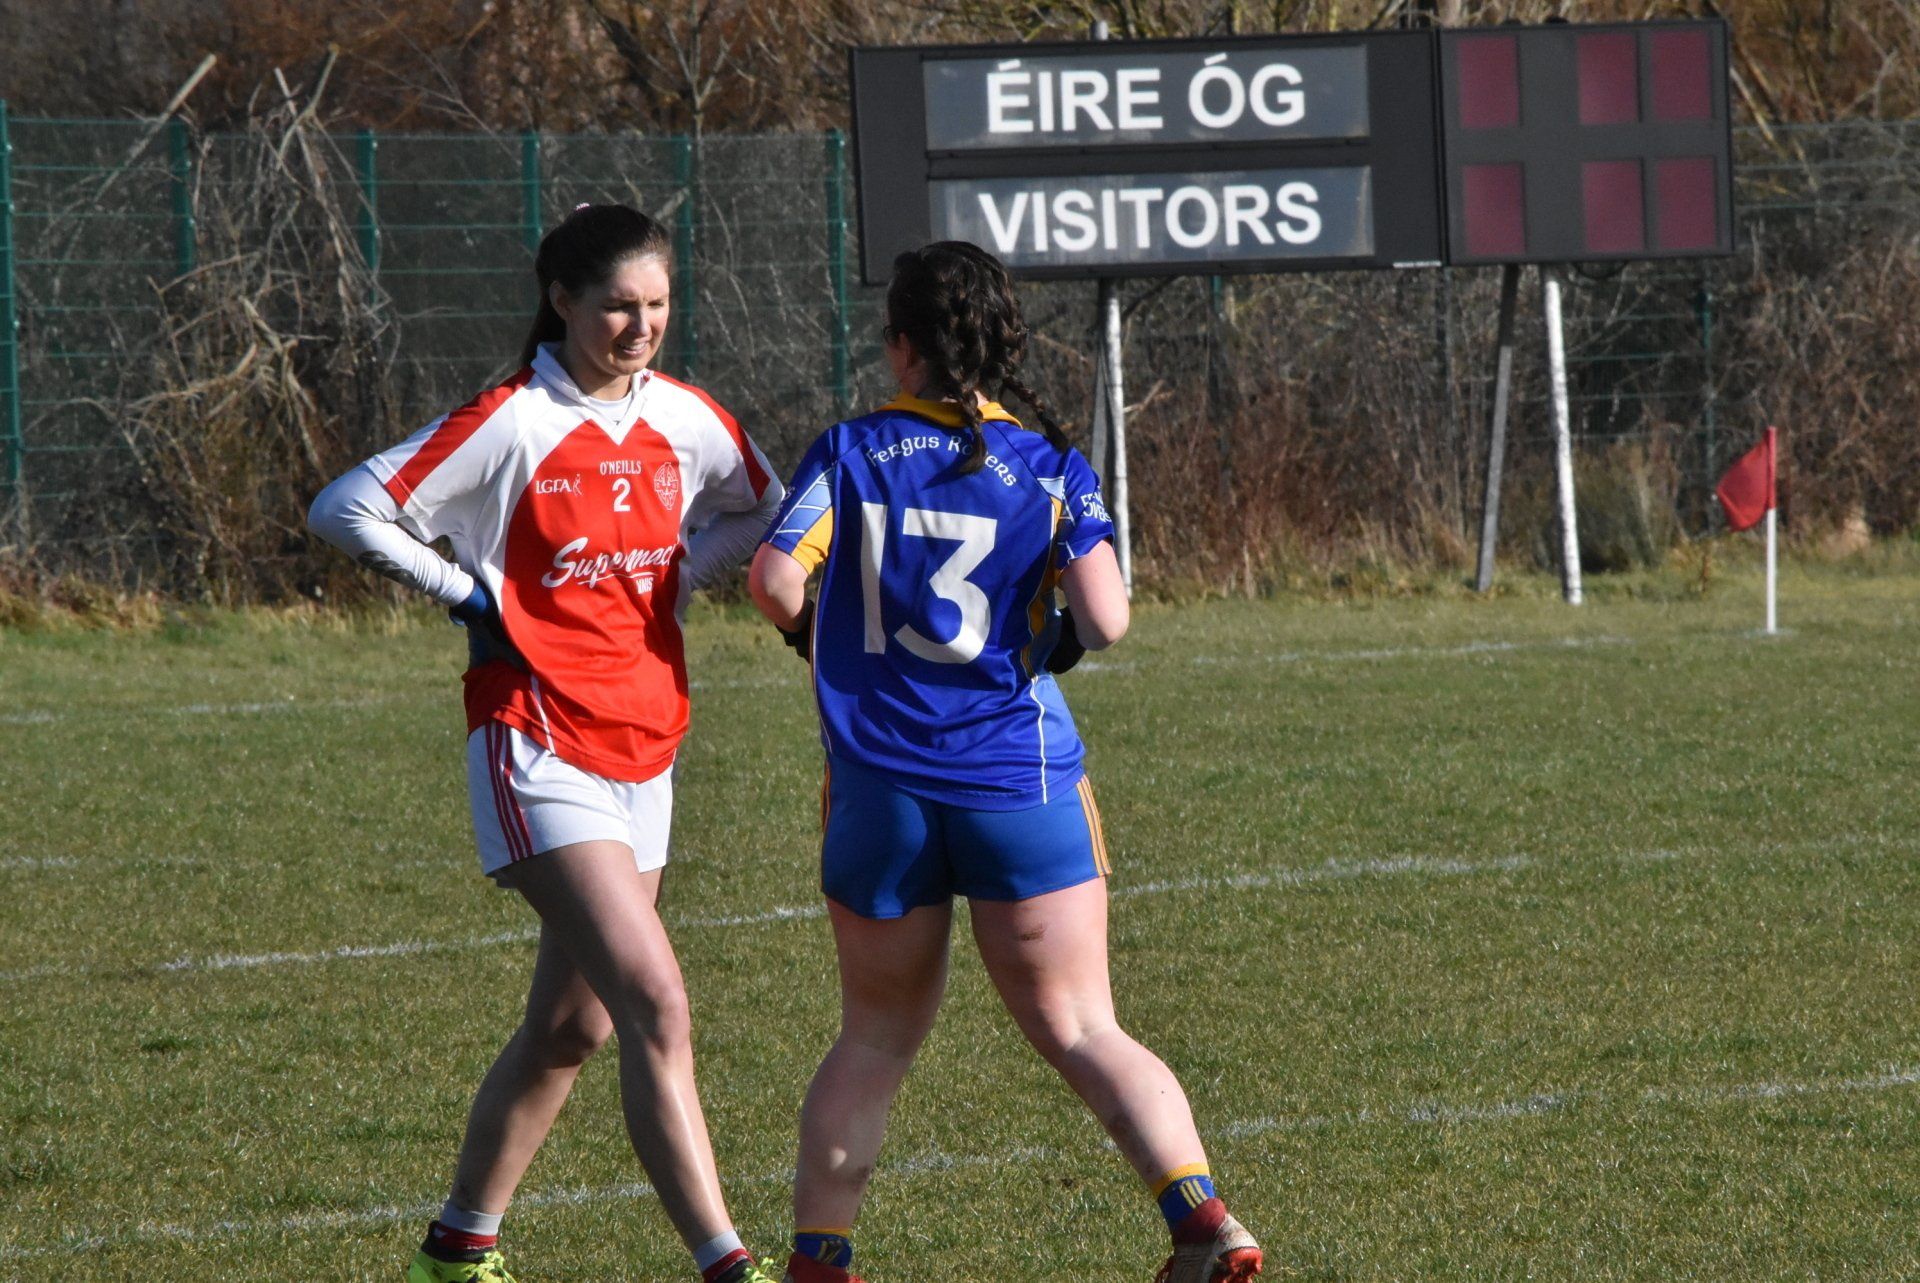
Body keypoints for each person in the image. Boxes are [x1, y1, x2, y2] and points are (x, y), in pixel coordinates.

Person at [747, 241, 1263, 1283]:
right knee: (1082, 1024)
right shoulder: (1053, 464)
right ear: (1005, 341)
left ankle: (819, 1262)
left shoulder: (851, 449)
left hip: (880, 783)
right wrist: (1047, 636)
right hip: (1017, 779)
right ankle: (1203, 1218)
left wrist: (818, 636)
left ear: (901, 346)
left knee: (876, 1037)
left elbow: (771, 580)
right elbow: (1107, 619)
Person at [308, 203, 784, 1283]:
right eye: (618, 303)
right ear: (561, 299)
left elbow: (768, 504)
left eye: (658, 303)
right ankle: (728, 1263)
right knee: (656, 999)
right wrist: (466, 590)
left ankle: (458, 1246)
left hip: (648, 737)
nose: (640, 324)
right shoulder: (512, 420)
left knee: (575, 1028)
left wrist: (681, 568)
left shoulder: (684, 417)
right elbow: (345, 507)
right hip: (537, 737)